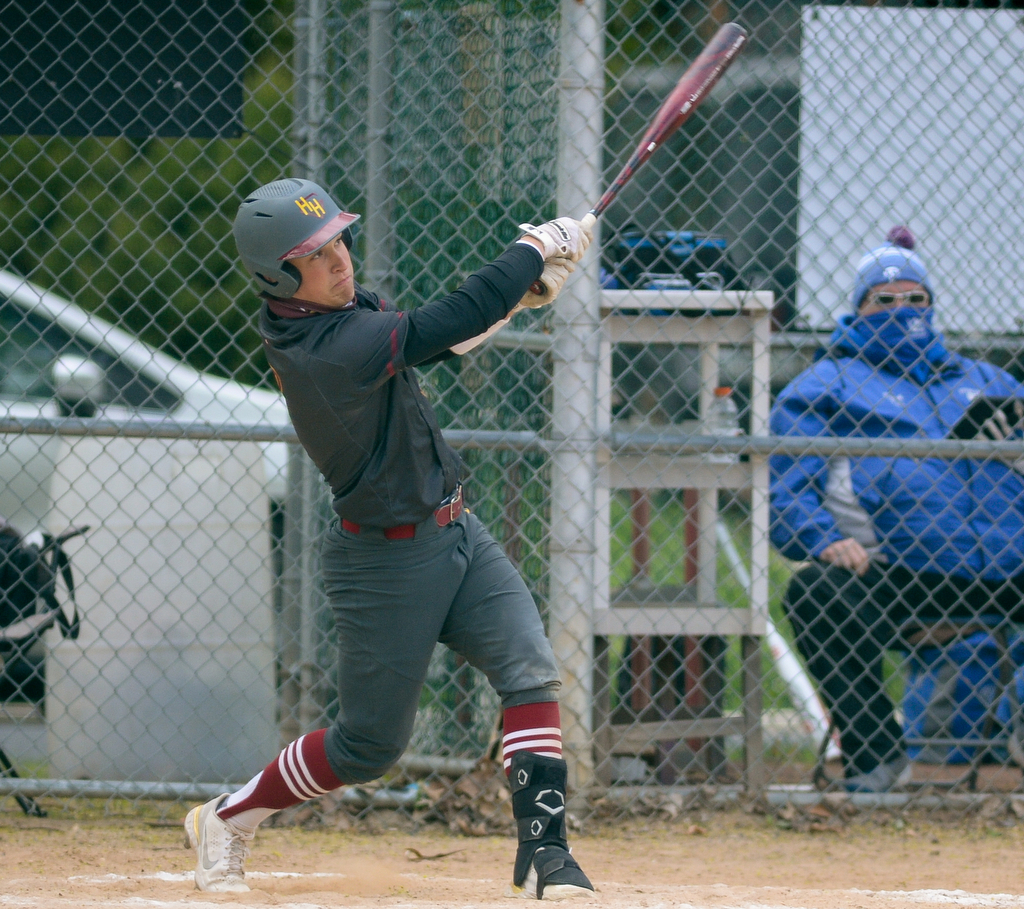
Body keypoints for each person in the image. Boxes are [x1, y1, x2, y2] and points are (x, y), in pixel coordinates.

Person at [183, 177, 595, 900]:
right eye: (317, 252)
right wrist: (533, 249)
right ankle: (227, 817)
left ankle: (549, 858)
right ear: (280, 276)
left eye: (340, 239)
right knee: (368, 746)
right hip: (385, 559)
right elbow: (444, 320)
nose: (340, 258)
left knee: (529, 669)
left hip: (454, 529)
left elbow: (446, 337)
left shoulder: (343, 313)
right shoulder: (324, 347)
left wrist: (525, 293)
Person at [769, 227, 1024, 792]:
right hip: (902, 574)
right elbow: (786, 492)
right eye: (885, 301)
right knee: (815, 594)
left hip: (1008, 567)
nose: (903, 310)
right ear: (859, 308)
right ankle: (876, 758)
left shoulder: (985, 381)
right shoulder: (826, 384)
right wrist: (821, 538)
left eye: (916, 300)